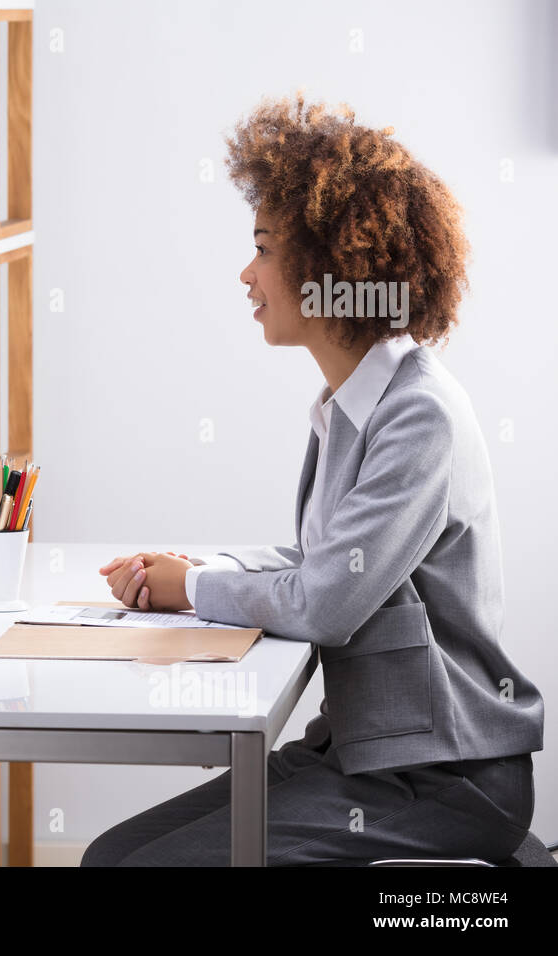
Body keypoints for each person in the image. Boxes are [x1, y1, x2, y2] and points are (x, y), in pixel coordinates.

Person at [83, 94, 544, 866]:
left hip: (442, 780)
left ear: (334, 264)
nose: (245, 272)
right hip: (360, 756)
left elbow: (328, 601)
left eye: (262, 247)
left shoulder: (417, 415)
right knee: (111, 856)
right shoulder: (349, 405)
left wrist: (191, 591)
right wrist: (200, 573)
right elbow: (323, 564)